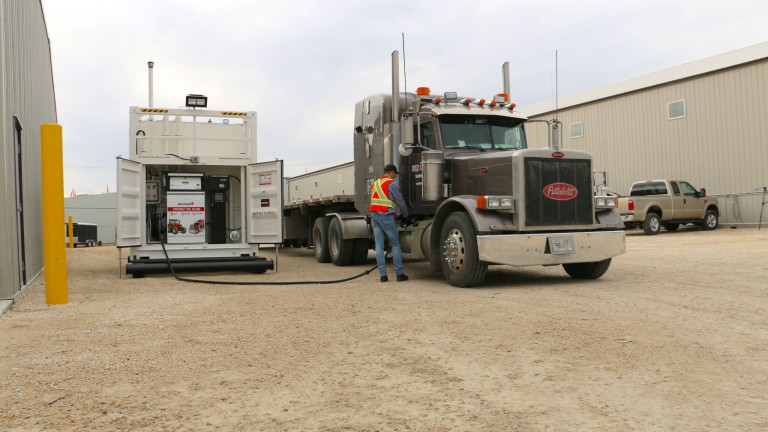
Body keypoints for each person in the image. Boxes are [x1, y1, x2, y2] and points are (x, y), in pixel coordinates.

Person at [369, 164, 409, 283]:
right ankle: (400, 274)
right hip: (386, 216)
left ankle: (383, 276)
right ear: (392, 172)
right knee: (395, 244)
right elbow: (400, 201)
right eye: (395, 174)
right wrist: (405, 215)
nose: (395, 176)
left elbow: (380, 201)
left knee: (379, 246)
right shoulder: (392, 183)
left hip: (374, 217)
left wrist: (395, 215)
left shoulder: (375, 184)